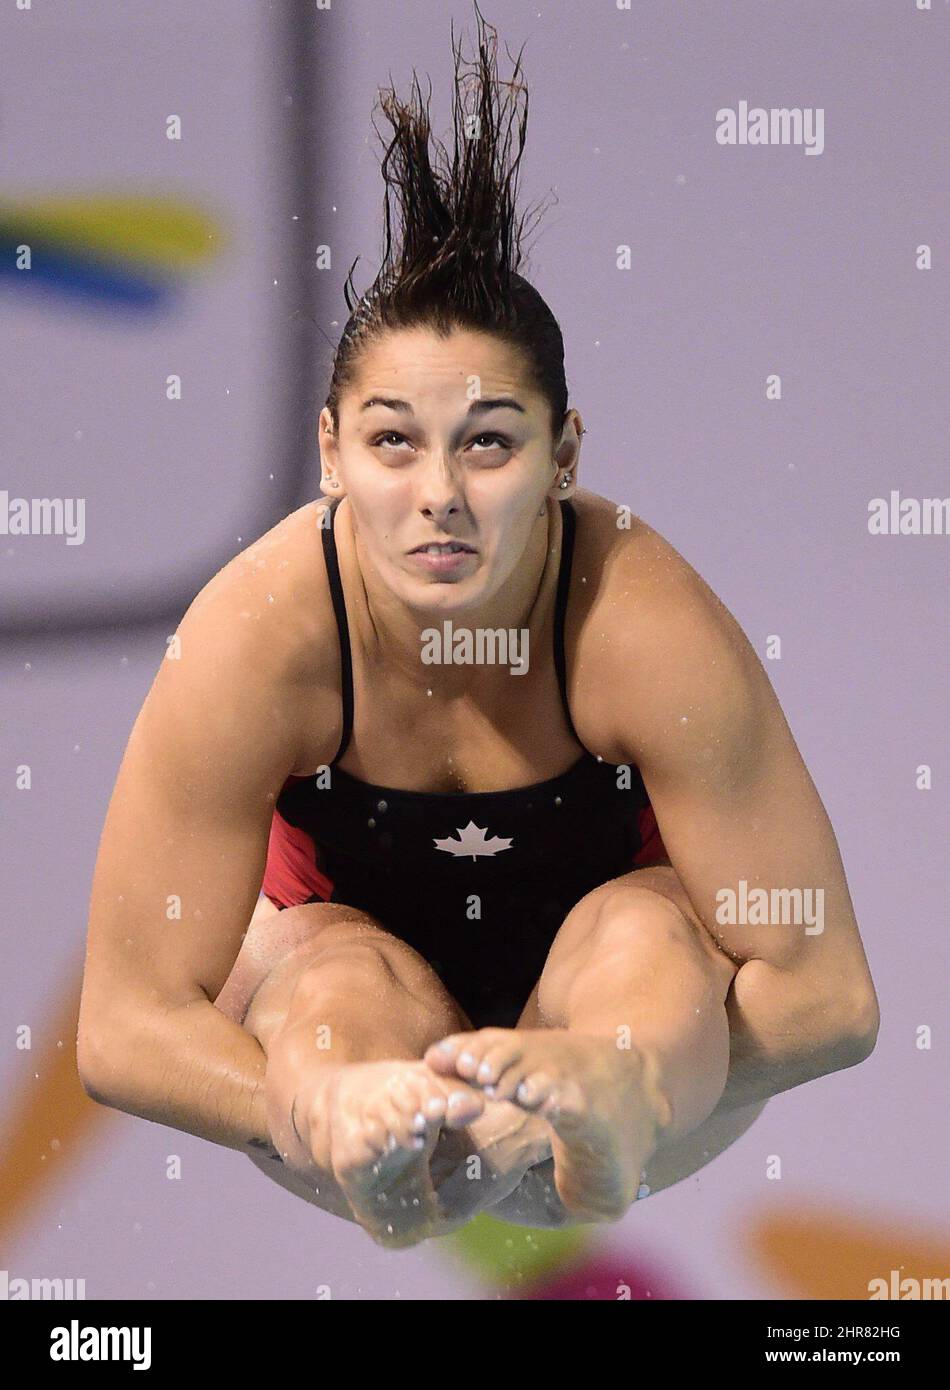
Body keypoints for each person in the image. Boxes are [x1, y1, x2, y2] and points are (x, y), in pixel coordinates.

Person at [77, 7, 879, 1249]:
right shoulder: (260, 630)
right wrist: (302, 1108)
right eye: (393, 439)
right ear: (331, 451)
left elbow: (829, 997)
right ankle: (378, 1113)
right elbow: (123, 1028)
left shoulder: (633, 619)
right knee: (330, 982)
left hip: (632, 1062)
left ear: (562, 453)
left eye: (488, 441)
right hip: (352, 1085)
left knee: (643, 937)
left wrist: (648, 1077)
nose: (439, 493)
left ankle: (607, 1088)